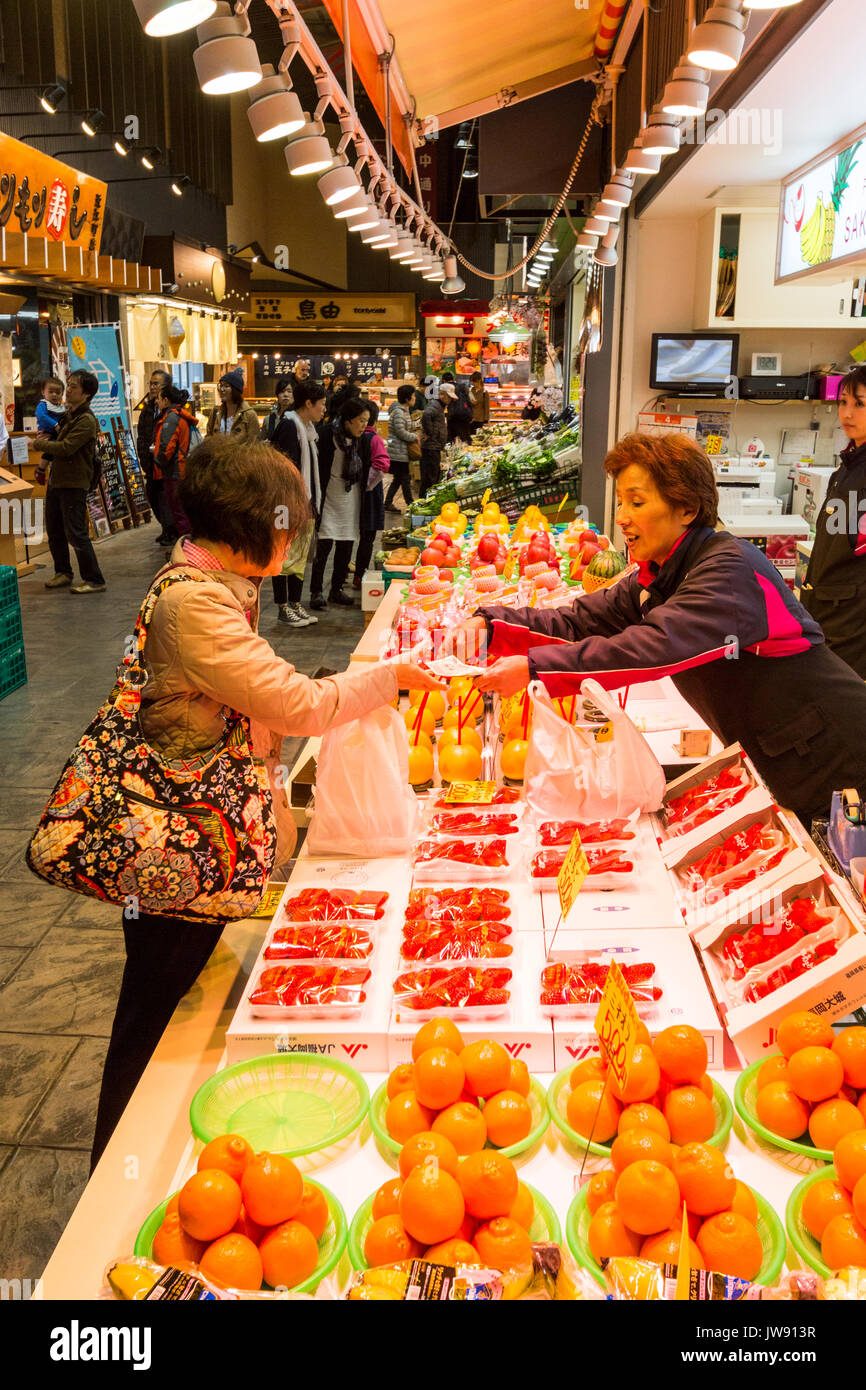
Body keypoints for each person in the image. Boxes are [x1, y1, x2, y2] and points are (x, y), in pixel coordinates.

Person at [89, 435, 442, 1167]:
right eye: (286, 524)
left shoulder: (215, 587)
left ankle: (148, 1150)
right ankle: (116, 1167)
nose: (295, 539)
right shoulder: (195, 607)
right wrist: (387, 679)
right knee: (153, 1005)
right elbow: (294, 704)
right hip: (174, 845)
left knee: (170, 989)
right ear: (253, 523)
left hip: (194, 833)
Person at [447, 430, 866, 827]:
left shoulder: (727, 572)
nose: (623, 518)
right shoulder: (662, 574)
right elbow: (578, 620)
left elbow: (651, 647)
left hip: (838, 760)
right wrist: (490, 623)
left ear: (687, 508)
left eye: (637, 502)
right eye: (621, 503)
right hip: (785, 754)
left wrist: (534, 669)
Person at [800, 366, 866, 678]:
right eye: (843, 402)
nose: (847, 413)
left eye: (860, 404)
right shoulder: (846, 469)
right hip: (826, 610)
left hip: (852, 623)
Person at [30, 369, 107, 594]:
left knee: (76, 532)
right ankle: (63, 572)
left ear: (86, 394)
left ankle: (94, 579)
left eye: (74, 386)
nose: (69, 389)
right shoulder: (68, 415)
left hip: (74, 482)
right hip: (57, 480)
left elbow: (66, 448)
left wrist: (38, 444)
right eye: (69, 384)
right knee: (54, 529)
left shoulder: (86, 420)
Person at [269, 380, 327, 628]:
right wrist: (293, 504)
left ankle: (295, 602)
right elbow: (283, 469)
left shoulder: (307, 428)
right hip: (286, 504)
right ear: (308, 403)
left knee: (299, 557)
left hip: (305, 503)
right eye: (322, 404)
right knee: (283, 556)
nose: (324, 409)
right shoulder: (288, 426)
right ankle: (283, 607)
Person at [310, 397, 370, 609]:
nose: (364, 425)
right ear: (347, 420)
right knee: (324, 546)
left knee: (346, 545)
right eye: (361, 420)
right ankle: (316, 591)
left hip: (351, 497)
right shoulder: (326, 435)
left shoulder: (360, 440)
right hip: (329, 497)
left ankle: (336, 589)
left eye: (366, 421)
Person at [353, 398, 391, 589]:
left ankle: (347, 572)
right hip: (369, 494)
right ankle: (359, 576)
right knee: (367, 537)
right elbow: (382, 464)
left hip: (350, 493)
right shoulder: (374, 439)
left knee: (350, 537)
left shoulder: (352, 436)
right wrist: (367, 485)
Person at [153, 384, 198, 542]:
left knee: (179, 512)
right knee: (183, 511)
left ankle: (187, 549)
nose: (157, 402)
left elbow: (167, 447)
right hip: (181, 469)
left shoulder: (171, 418)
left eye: (158, 399)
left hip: (175, 471)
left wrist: (157, 459)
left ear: (166, 400)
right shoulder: (180, 415)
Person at [136, 367, 173, 544]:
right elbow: (142, 436)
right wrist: (144, 459)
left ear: (166, 387)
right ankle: (165, 528)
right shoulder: (148, 409)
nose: (152, 387)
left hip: (167, 464)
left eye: (156, 384)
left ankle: (171, 530)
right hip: (151, 464)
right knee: (154, 497)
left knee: (167, 498)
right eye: (151, 384)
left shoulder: (172, 410)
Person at [384, 383, 418, 512]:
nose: (415, 398)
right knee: (404, 478)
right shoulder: (399, 412)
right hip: (398, 451)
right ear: (407, 398)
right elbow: (400, 432)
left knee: (399, 478)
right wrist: (414, 436)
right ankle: (410, 504)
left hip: (400, 450)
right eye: (413, 396)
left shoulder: (403, 410)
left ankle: (387, 503)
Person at [206, 369, 260, 442]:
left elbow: (254, 444)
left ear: (236, 390)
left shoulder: (249, 414)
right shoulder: (216, 412)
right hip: (217, 453)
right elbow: (208, 438)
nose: (222, 389)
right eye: (221, 386)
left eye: (226, 386)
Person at [419, 388, 447, 497]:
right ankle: (425, 500)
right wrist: (429, 432)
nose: (450, 400)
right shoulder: (436, 405)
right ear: (443, 396)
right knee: (430, 478)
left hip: (434, 446)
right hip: (431, 447)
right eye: (449, 397)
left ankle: (424, 499)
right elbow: (426, 415)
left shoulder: (438, 406)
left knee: (430, 477)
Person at [262, 376, 294, 443]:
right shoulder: (269, 419)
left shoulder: (299, 418)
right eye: (282, 391)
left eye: (289, 391)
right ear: (277, 395)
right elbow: (261, 441)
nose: (285, 395)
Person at [35, 376, 65, 440]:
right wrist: (55, 425)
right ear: (43, 392)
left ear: (62, 394)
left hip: (58, 434)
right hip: (45, 433)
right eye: (50, 392)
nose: (54, 394)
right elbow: (41, 416)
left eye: (58, 393)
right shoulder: (43, 405)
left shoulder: (62, 406)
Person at [468, 370, 490, 435]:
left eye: (474, 381)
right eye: (472, 381)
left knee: (478, 437)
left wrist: (486, 419)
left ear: (479, 380)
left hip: (480, 419)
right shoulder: (470, 390)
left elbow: (486, 407)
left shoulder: (484, 392)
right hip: (470, 419)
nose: (473, 383)